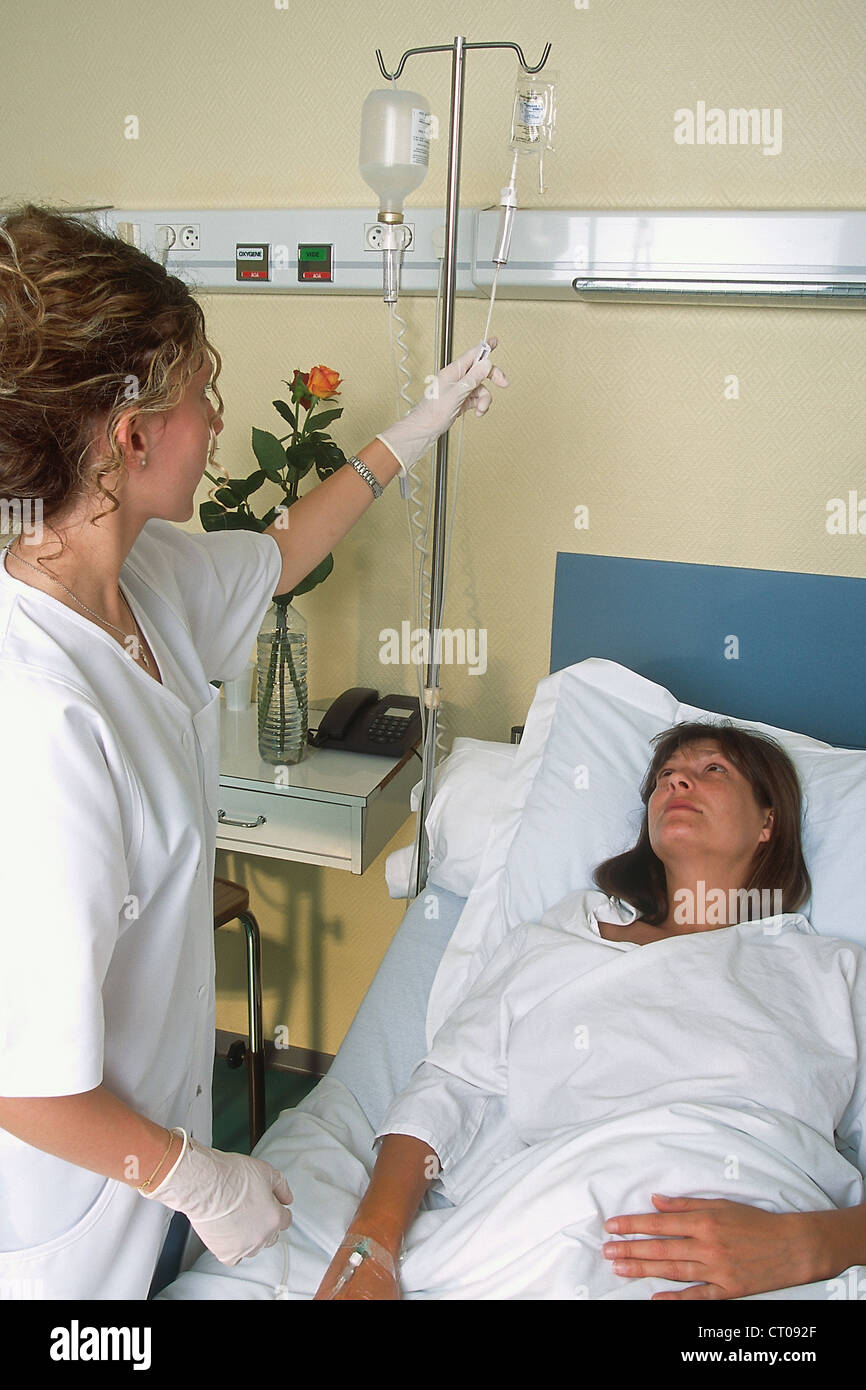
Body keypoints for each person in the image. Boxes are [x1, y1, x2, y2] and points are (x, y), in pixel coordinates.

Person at [0, 201, 507, 1300]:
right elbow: (21, 1082)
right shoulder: (37, 717)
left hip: (145, 1168)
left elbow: (280, 553)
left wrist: (417, 429)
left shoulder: (143, 578)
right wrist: (197, 1176)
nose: (219, 420)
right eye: (201, 398)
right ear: (131, 438)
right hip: (63, 1215)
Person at [315, 722, 866, 1300]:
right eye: (665, 776)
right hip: (558, 1235)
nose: (677, 778)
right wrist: (370, 1247)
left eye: (713, 770)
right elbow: (451, 1082)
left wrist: (813, 1244)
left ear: (767, 823)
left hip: (777, 1255)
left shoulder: (829, 974)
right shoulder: (564, 935)